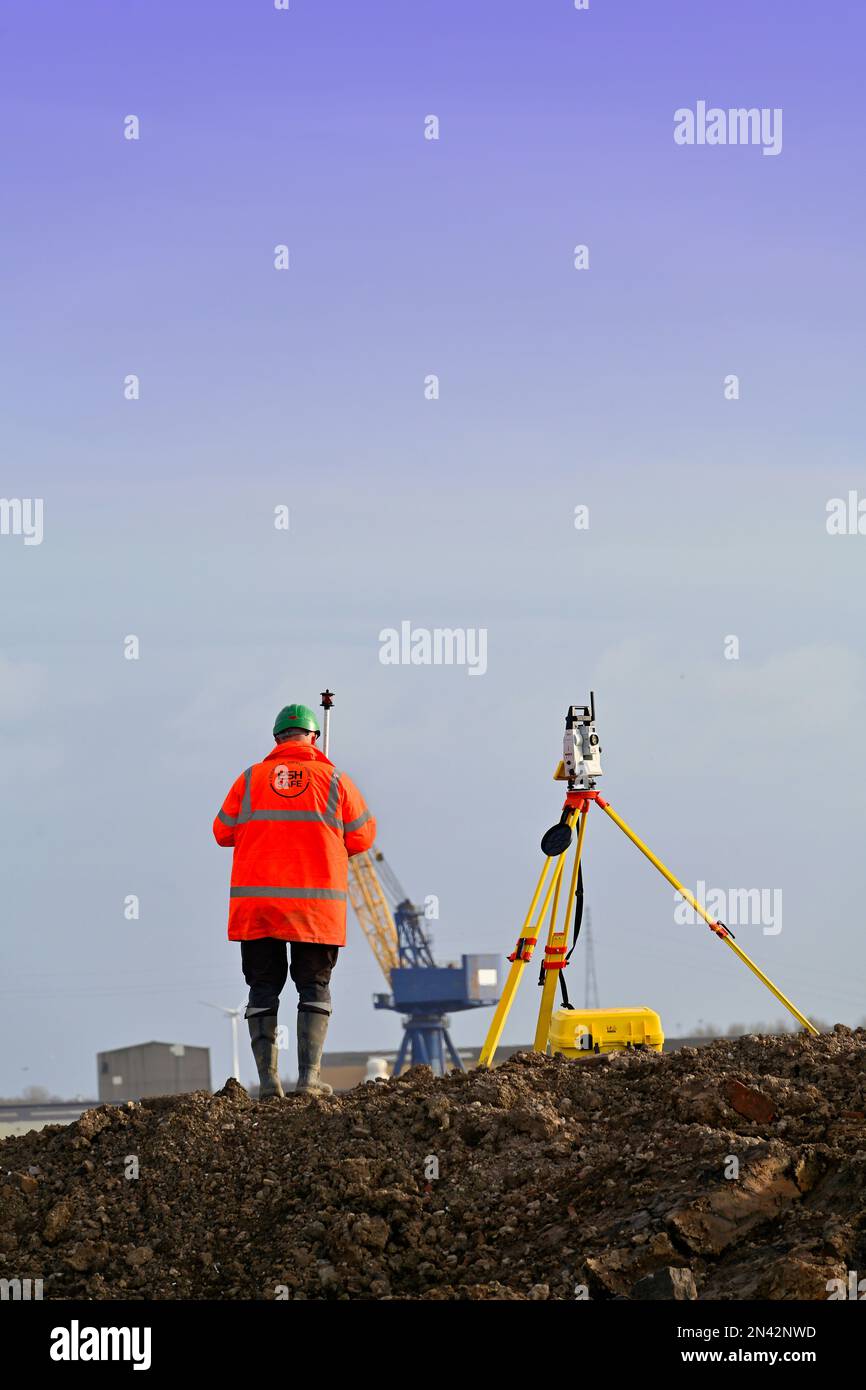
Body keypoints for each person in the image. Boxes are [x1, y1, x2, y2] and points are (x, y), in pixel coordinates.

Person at [213, 703, 376, 1098]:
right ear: (313, 737)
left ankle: (269, 1086)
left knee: (263, 988)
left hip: (259, 909)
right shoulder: (335, 780)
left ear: (275, 740)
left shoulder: (250, 779)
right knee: (314, 986)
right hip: (315, 910)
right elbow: (362, 837)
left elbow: (222, 831)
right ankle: (309, 1080)